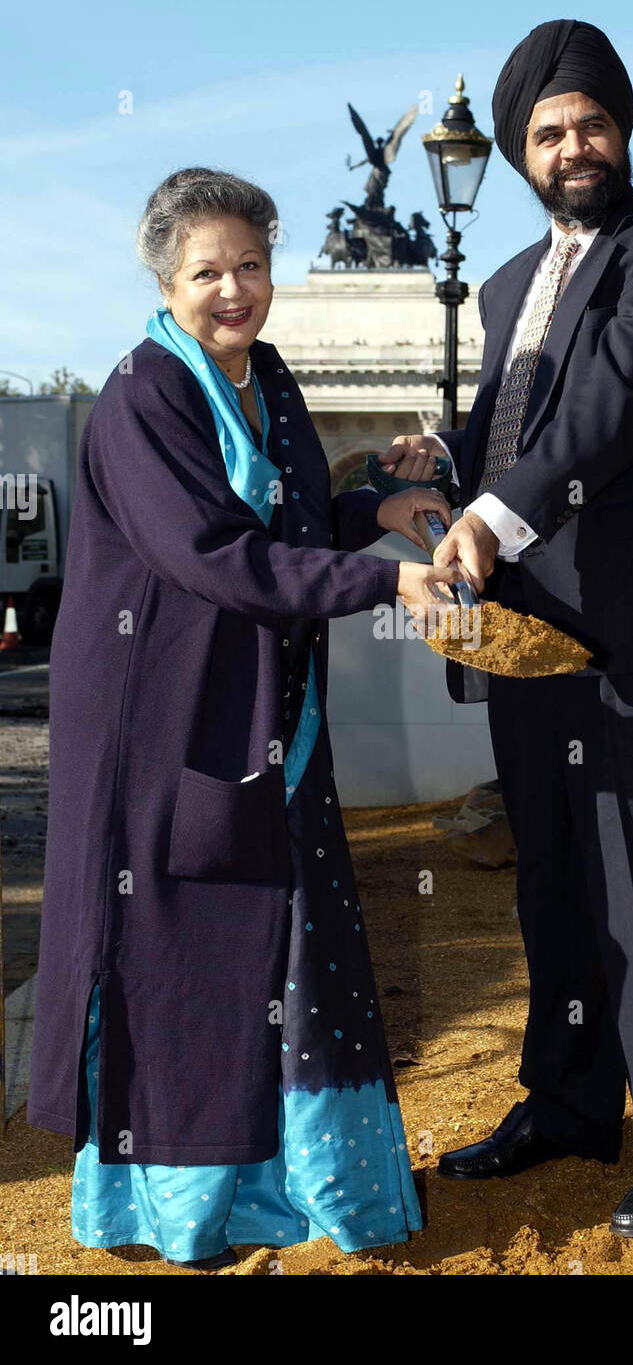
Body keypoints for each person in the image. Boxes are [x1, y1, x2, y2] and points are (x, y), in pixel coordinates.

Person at [27, 167, 456, 1270]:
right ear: (166, 280)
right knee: (185, 952)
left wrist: (377, 509)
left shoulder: (266, 376)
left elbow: (290, 511)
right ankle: (181, 1207)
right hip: (159, 723)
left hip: (263, 705)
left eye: (251, 264)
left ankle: (307, 1184)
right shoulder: (142, 395)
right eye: (207, 270)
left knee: (291, 931)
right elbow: (211, 552)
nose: (234, 289)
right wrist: (381, 584)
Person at [379, 19, 633, 1238]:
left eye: (590, 120)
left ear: (625, 128)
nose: (572, 143)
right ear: (519, 151)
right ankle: (571, 1099)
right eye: (547, 131)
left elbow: (616, 398)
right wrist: (443, 455)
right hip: (530, 641)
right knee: (556, 880)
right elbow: (520, 415)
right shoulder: (504, 287)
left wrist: (492, 512)